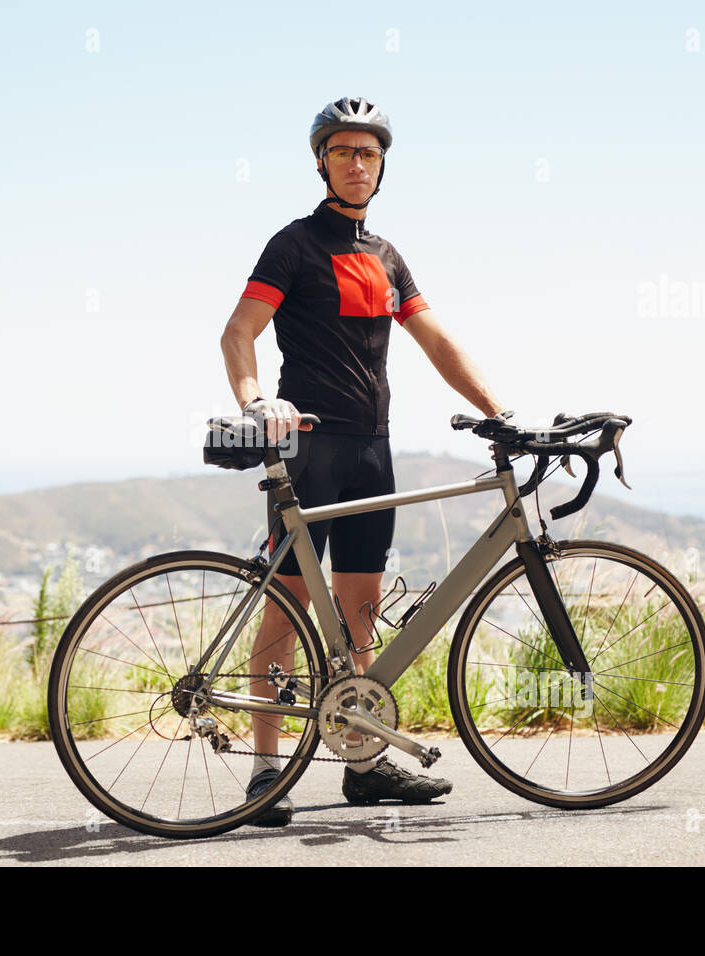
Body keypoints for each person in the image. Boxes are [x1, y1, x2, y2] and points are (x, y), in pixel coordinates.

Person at [219, 96, 508, 827]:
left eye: (369, 153)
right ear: (321, 162)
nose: (357, 163)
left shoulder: (386, 256)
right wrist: (256, 404)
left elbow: (438, 342)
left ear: (382, 167)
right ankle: (263, 772)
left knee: (358, 615)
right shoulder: (293, 245)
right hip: (307, 446)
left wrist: (499, 413)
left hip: (372, 451)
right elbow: (239, 333)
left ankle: (363, 764)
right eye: (343, 151)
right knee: (287, 611)